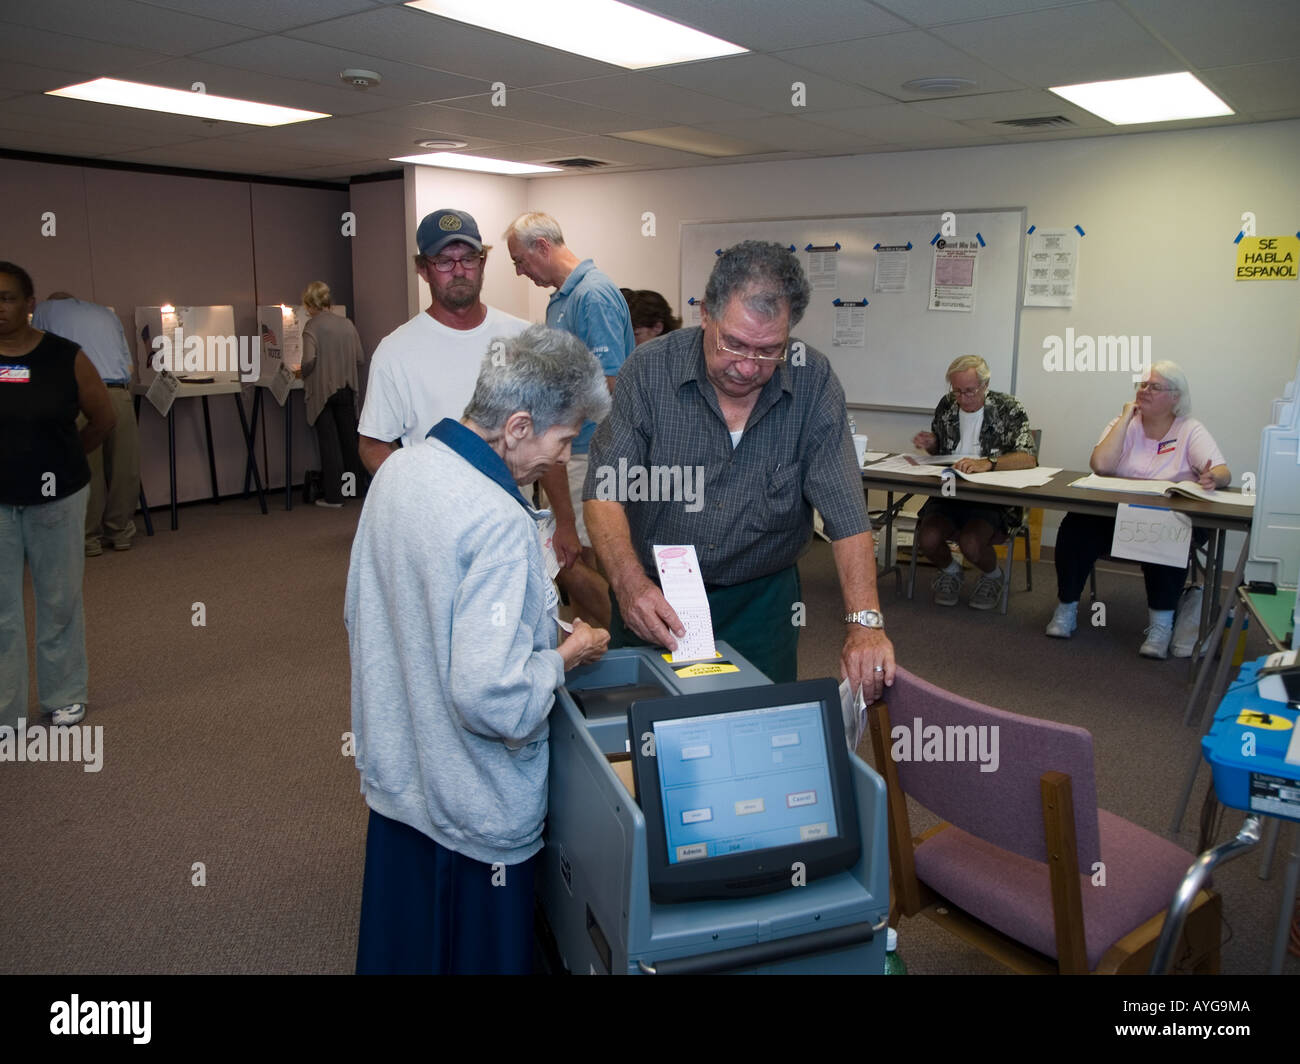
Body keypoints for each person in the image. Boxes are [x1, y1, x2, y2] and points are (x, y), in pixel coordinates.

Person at [346, 324, 610, 975]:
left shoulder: (401, 469)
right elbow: (491, 698)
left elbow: (364, 610)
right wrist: (564, 655)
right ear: (517, 427)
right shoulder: (497, 522)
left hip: (401, 779)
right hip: (475, 806)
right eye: (564, 439)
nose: (561, 459)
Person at [584, 241, 895, 699]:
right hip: (655, 593)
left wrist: (865, 623)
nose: (748, 367)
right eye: (734, 344)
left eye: (769, 350)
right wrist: (628, 585)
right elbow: (604, 492)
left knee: (757, 730)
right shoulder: (649, 371)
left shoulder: (814, 381)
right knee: (644, 735)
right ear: (705, 313)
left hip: (762, 603)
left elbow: (847, 514)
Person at [1046, 360, 1230, 658]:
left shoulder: (1190, 429)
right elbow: (1101, 466)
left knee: (1166, 534)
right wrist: (1124, 419)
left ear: (1176, 397)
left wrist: (1215, 477)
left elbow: (1222, 471)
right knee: (1076, 525)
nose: (1144, 391)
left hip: (1170, 519)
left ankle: (1160, 627)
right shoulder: (1123, 423)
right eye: (1142, 385)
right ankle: (1065, 608)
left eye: (1154, 387)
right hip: (1117, 516)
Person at [504, 211, 635, 629]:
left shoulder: (592, 295)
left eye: (520, 261)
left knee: (587, 554)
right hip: (570, 451)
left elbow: (609, 381)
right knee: (571, 552)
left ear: (543, 246)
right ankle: (590, 650)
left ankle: (621, 642)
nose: (521, 272)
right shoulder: (561, 299)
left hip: (592, 450)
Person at [0, 263, 116, 729]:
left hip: (57, 497)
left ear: (30, 304)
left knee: (58, 599)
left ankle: (63, 693)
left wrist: (65, 462)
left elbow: (103, 419)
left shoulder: (65, 356)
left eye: (8, 297)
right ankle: (6, 709)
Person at [357, 208, 528, 475]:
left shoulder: (523, 338)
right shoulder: (395, 352)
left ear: (482, 263)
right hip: (436, 514)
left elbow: (543, 431)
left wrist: (564, 515)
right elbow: (373, 444)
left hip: (514, 511)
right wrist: (410, 490)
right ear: (423, 270)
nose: (459, 270)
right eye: (444, 261)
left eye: (469, 258)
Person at [911, 355, 1038, 609]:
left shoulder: (1008, 408)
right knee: (927, 538)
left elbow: (1028, 458)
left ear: (985, 385)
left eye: (969, 391)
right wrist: (932, 444)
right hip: (950, 492)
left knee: (971, 542)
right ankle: (950, 571)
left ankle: (993, 576)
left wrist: (988, 463)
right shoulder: (947, 405)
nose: (962, 398)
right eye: (957, 391)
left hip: (991, 499)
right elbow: (942, 451)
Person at [31, 291, 139, 555]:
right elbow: (129, 365)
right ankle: (121, 531)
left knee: (87, 468)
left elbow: (34, 353)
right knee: (124, 467)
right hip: (118, 392)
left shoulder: (45, 310)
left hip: (78, 395)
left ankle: (88, 538)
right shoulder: (106, 314)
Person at [299, 281, 365, 508]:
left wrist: (301, 372)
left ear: (310, 303)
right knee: (348, 440)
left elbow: (308, 360)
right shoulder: (347, 324)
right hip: (346, 388)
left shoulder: (312, 326)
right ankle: (353, 489)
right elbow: (359, 357)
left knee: (329, 444)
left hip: (323, 391)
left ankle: (335, 496)